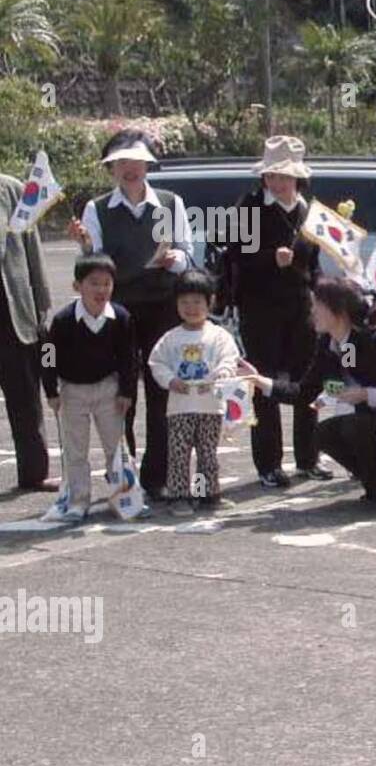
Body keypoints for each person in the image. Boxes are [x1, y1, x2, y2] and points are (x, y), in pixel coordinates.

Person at [241, 278, 376, 508]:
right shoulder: (332, 344)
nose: (312, 311)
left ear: (339, 311)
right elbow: (304, 392)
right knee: (325, 433)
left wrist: (368, 394)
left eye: (317, 305)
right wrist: (258, 380)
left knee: (356, 426)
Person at [68, 130, 194, 500]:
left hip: (163, 307)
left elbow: (188, 253)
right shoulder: (98, 208)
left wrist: (176, 260)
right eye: (120, 162)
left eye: (135, 161)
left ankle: (157, 476)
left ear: (147, 165)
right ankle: (123, 474)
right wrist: (87, 248)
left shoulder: (170, 203)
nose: (129, 169)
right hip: (118, 309)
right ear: (111, 169)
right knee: (120, 394)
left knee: (161, 390)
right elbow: (93, 264)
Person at [217, 136, 331, 488]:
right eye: (271, 175)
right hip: (260, 307)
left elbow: (313, 264)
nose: (277, 182)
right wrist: (271, 257)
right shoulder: (248, 207)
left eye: (284, 175)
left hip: (302, 307)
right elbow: (234, 257)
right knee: (262, 382)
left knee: (307, 382)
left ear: (298, 178)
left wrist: (324, 293)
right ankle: (268, 464)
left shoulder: (309, 210)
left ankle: (309, 458)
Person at [40, 254, 137, 519]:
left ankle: (123, 497)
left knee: (115, 447)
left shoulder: (121, 317)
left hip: (108, 388)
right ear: (77, 286)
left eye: (107, 283)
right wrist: (51, 391)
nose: (101, 290)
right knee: (75, 449)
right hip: (72, 391)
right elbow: (47, 354)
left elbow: (129, 357)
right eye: (94, 283)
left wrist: (127, 391)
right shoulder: (62, 320)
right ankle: (78, 500)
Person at [148, 270, 241, 516]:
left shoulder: (219, 335)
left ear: (210, 302)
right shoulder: (171, 338)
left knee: (207, 454)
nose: (191, 308)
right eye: (184, 302)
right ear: (176, 304)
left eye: (197, 301)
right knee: (179, 453)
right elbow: (156, 363)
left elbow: (230, 358)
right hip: (180, 407)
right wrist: (169, 380)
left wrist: (223, 372)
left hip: (210, 406)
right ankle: (179, 496)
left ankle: (206, 494)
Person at [0, 170, 55, 491]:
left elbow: (32, 251)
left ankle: (34, 473)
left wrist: (42, 305)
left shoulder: (13, 189)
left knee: (25, 398)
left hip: (13, 311)